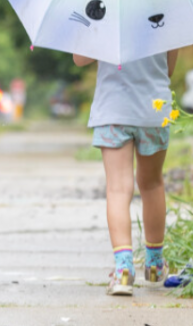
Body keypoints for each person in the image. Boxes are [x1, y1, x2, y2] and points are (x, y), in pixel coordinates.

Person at [72, 49, 179, 296]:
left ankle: (123, 271)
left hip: (113, 110)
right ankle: (154, 266)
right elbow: (169, 69)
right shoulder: (166, 11)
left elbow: (80, 59)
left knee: (119, 188)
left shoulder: (102, 12)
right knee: (152, 184)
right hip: (153, 110)